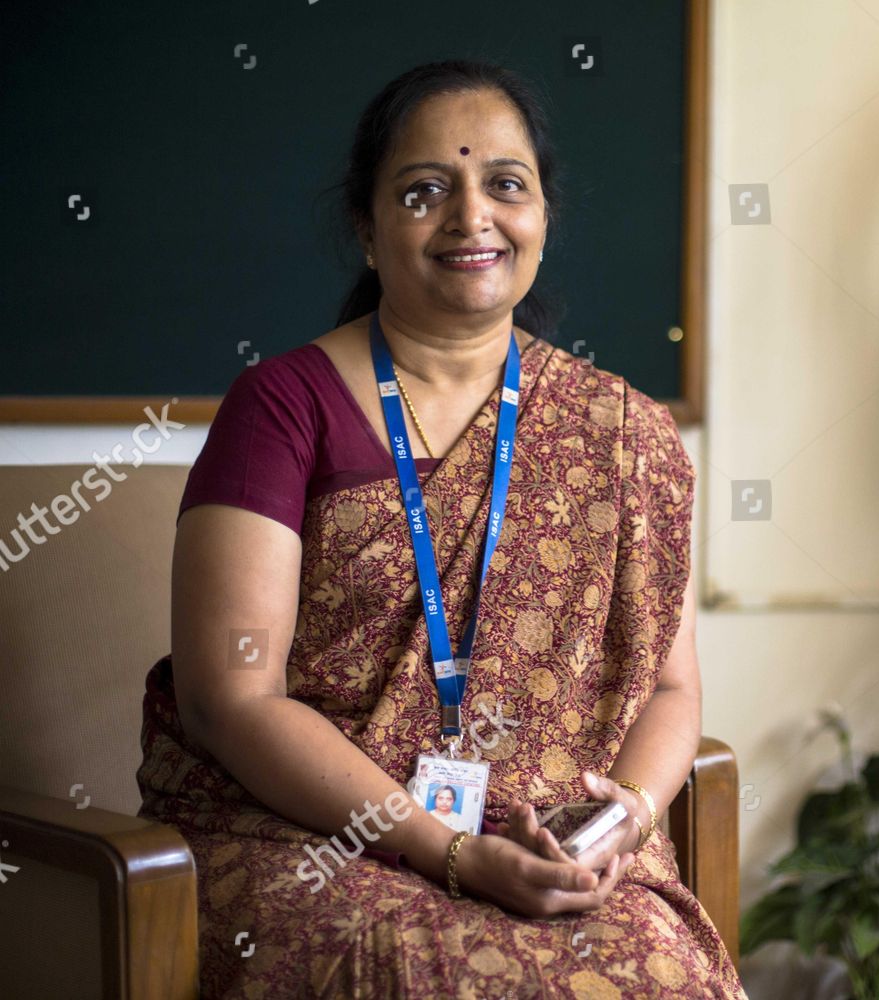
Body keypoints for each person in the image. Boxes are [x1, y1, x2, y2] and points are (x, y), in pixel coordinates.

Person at [135, 59, 745, 998]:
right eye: (425, 191)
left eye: (505, 184)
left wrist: (619, 821)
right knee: (434, 977)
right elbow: (231, 700)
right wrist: (450, 853)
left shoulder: (623, 430)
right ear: (366, 228)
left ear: (542, 215)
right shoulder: (283, 408)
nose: (472, 217)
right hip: (315, 837)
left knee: (658, 978)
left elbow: (669, 687)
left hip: (552, 840)